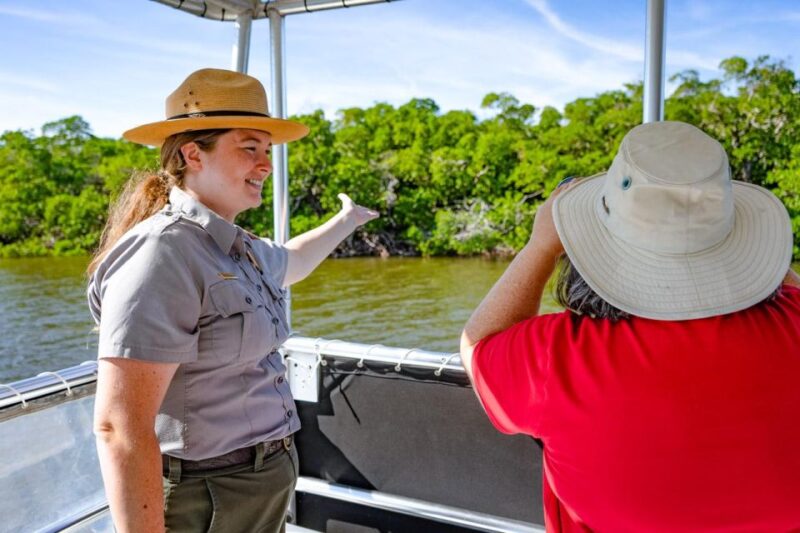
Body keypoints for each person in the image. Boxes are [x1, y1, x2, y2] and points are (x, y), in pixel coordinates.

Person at [460, 121, 800, 532]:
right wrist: (751, 259)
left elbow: (478, 346)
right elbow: (780, 283)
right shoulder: (793, 323)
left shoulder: (557, 356)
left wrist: (543, 242)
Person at [88, 68, 378, 533]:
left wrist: (346, 221)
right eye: (249, 148)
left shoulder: (234, 245)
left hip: (256, 486)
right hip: (208, 498)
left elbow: (293, 261)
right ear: (192, 154)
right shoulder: (163, 252)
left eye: (267, 151)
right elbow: (120, 427)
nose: (266, 164)